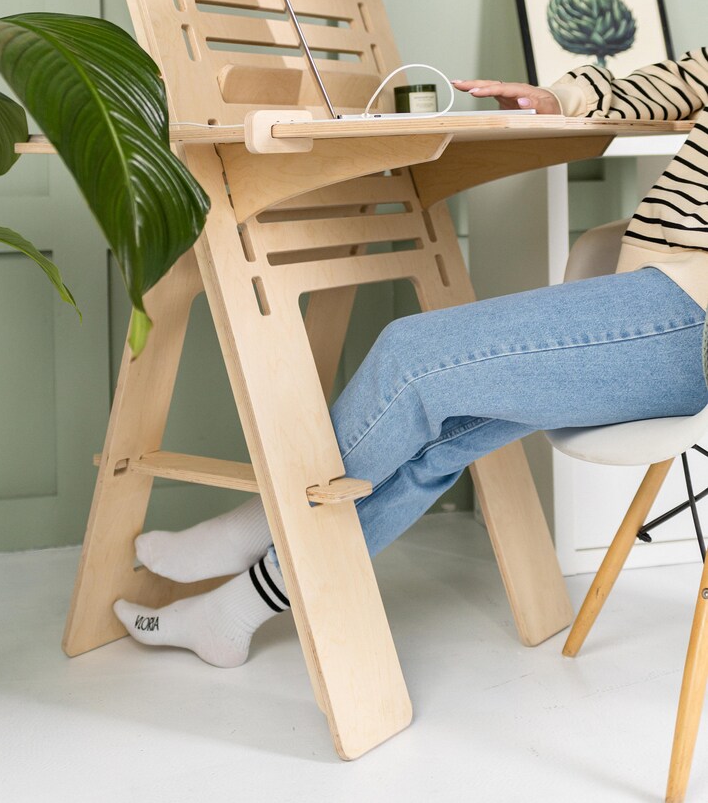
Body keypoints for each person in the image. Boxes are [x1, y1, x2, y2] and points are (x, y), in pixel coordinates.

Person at [114, 50, 708, 667]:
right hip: (654, 292)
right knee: (440, 437)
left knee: (413, 360)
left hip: (693, 320)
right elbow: (681, 80)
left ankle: (256, 526)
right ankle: (233, 614)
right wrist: (562, 97)